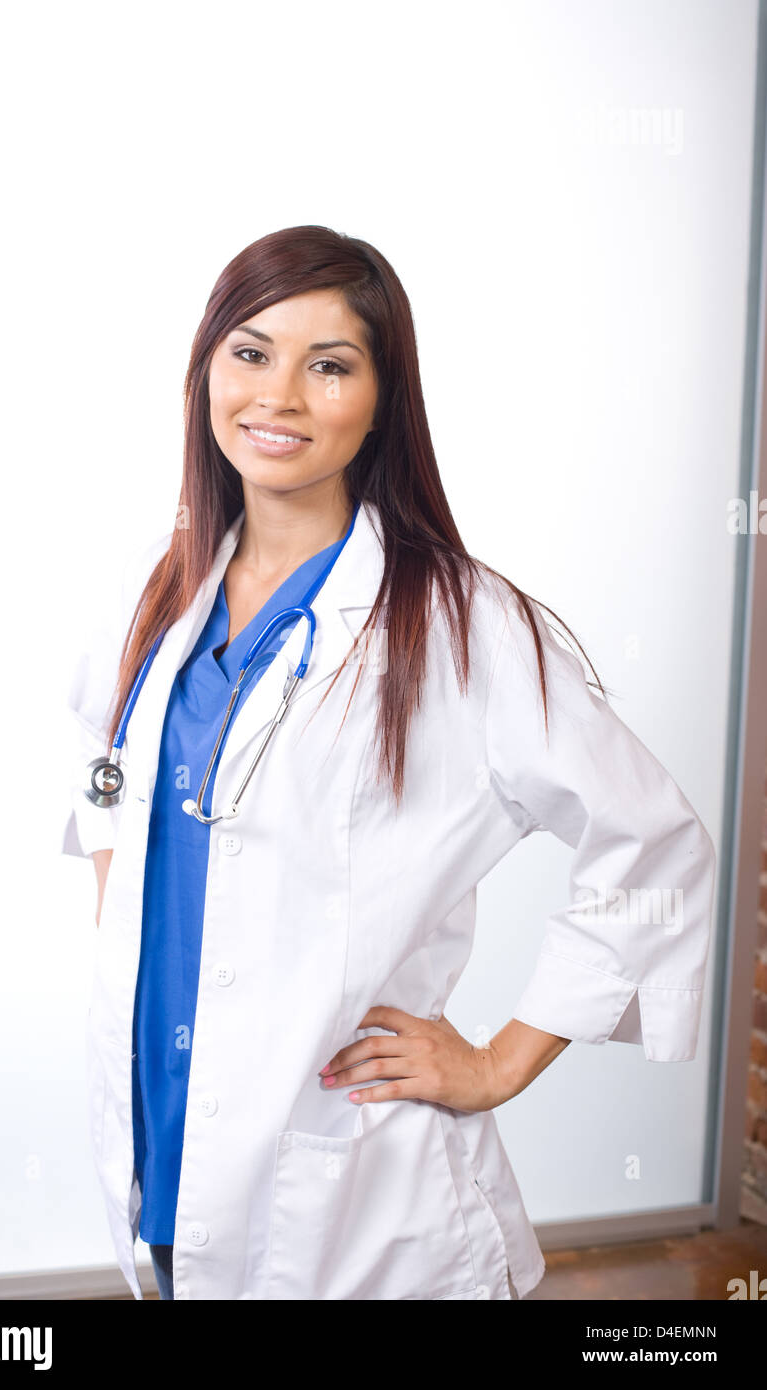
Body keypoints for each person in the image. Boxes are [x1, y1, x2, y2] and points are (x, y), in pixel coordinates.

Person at [61, 224, 716, 1302]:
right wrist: (131, 912)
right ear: (205, 372)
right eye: (251, 351)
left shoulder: (460, 624)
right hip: (163, 1151)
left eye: (329, 365)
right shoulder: (159, 588)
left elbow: (653, 840)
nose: (277, 395)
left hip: (359, 1200)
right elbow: (103, 765)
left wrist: (498, 1060)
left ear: (379, 401)